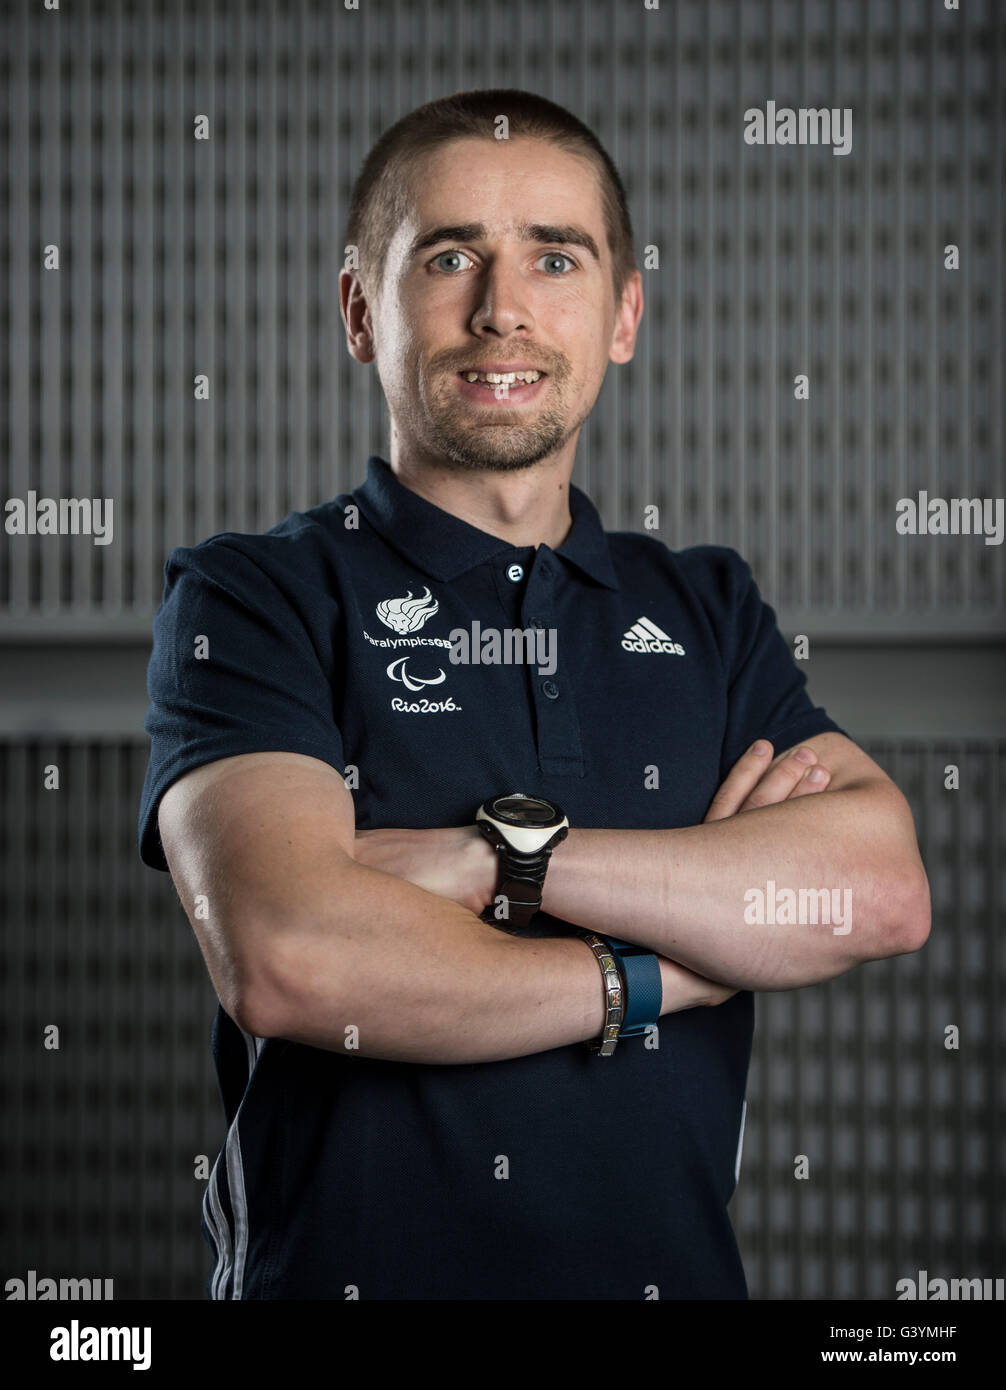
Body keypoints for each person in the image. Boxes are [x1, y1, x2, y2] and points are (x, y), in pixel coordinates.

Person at [138, 88, 930, 1300]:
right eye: (449, 256)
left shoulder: (705, 605)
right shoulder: (254, 598)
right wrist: (663, 969)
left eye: (554, 258)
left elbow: (873, 891)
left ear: (623, 314)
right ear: (361, 309)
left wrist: (497, 860)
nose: (501, 310)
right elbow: (294, 955)